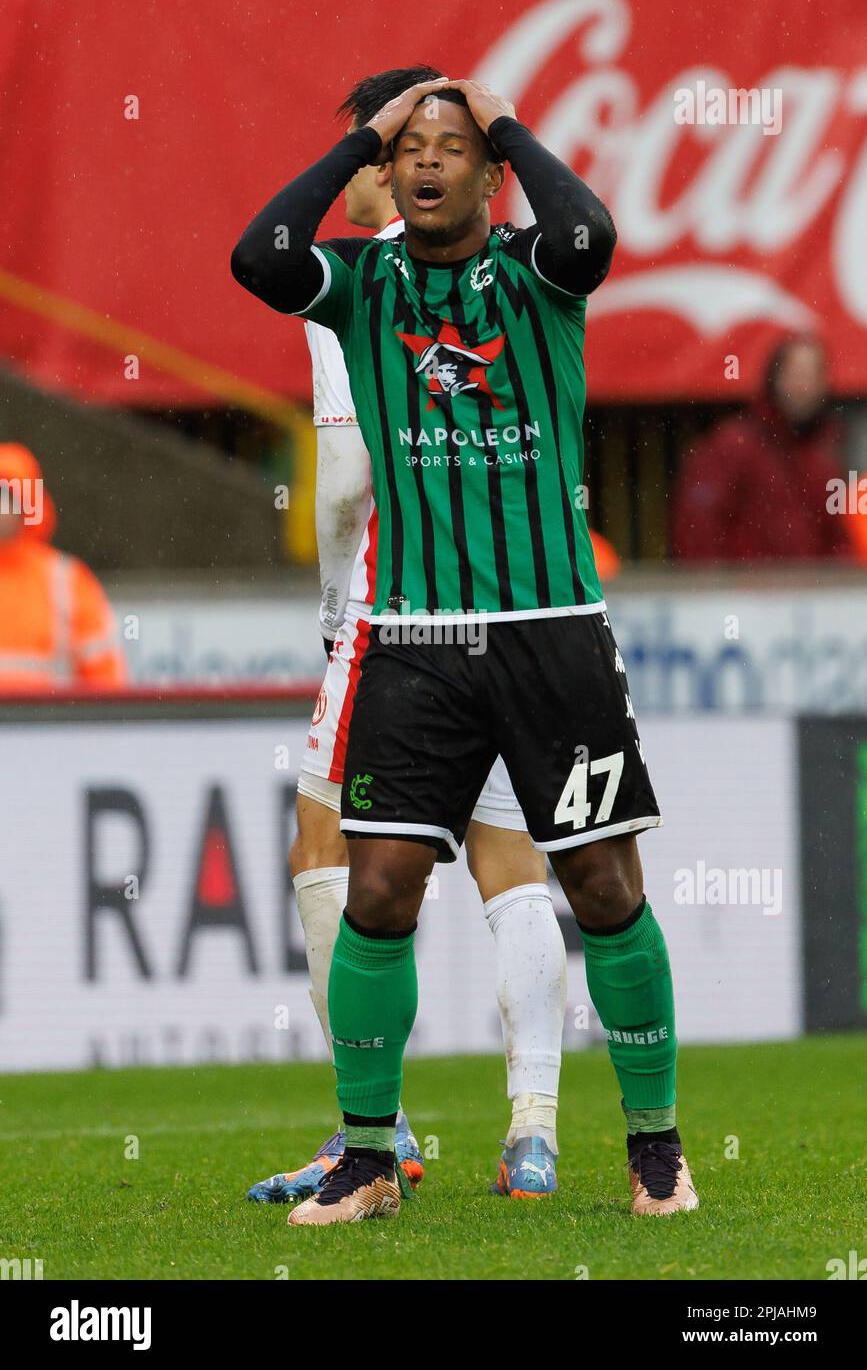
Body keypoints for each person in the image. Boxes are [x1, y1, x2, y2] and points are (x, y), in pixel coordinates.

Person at [232, 77, 697, 1225]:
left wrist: (511, 127)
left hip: (553, 634)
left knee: (602, 885)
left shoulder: (540, 275)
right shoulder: (363, 285)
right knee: (381, 889)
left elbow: (591, 228)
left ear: (491, 175)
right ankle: (366, 1159)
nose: (428, 163)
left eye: (454, 148)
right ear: (392, 175)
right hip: (418, 642)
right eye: (412, 152)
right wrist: (360, 141)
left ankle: (657, 1148)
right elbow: (259, 254)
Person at [247, 68, 568, 1206]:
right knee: (505, 857)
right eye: (386, 146)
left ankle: (378, 1135)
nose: (383, 165)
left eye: (384, 148)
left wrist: (348, 610)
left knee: (328, 855)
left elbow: (353, 470)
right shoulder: (454, 274)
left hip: (396, 615)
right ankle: (531, 1125)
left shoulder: (375, 280)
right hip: (490, 611)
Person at [672, 335, 852, 561]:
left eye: (813, 377)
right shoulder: (734, 444)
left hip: (808, 592)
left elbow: (838, 537)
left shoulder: (826, 452)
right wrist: (719, 589)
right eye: (796, 375)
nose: (803, 387)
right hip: (743, 592)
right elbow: (697, 528)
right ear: (774, 379)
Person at [0, 442, 126, 689]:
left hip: (49, 726)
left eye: (6, 496)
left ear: (26, 503)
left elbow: (105, 676)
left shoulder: (65, 579)